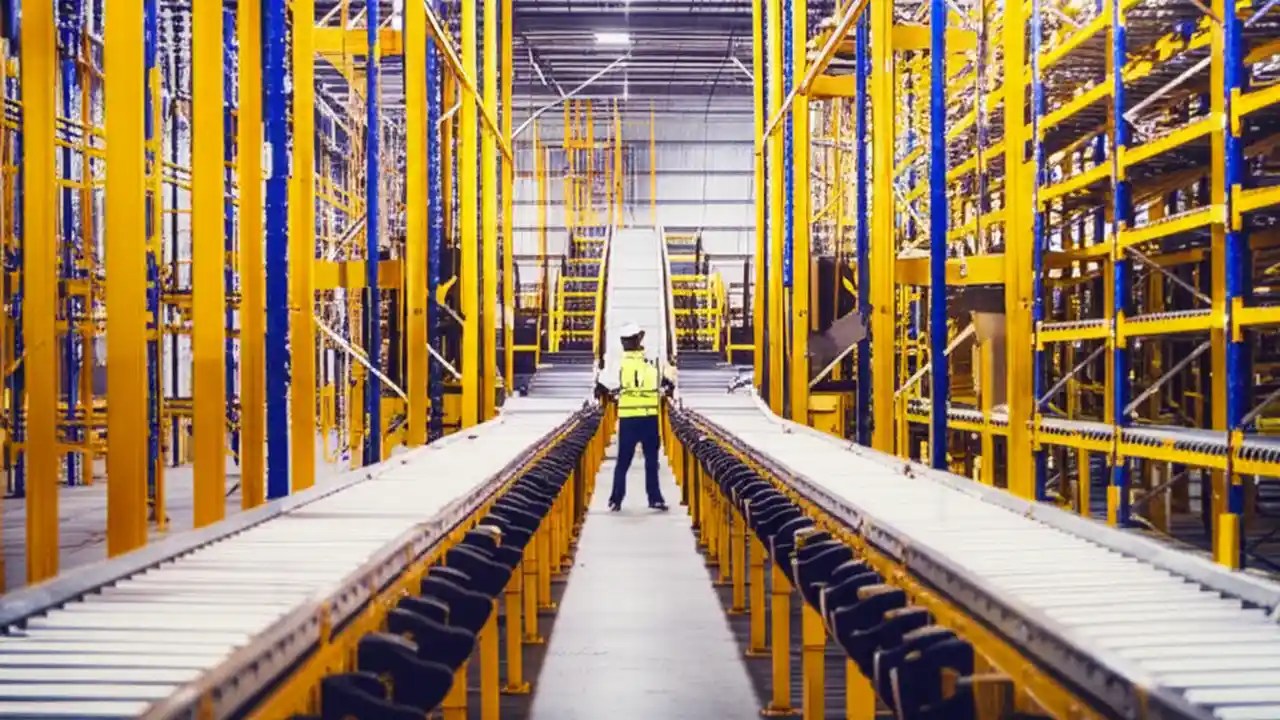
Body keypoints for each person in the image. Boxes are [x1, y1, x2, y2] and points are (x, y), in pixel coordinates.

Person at [601, 322, 675, 512]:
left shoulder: (618, 364)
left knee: (623, 462)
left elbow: (606, 383)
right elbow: (667, 381)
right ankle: (654, 498)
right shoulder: (651, 362)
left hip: (629, 420)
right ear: (639, 340)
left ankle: (616, 499)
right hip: (649, 418)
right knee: (651, 462)